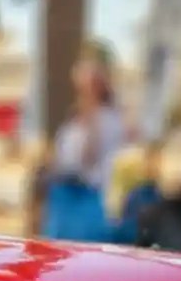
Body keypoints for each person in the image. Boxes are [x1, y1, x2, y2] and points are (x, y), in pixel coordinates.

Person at [43, 42, 126, 242]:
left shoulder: (109, 119)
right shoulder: (73, 120)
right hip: (61, 197)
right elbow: (61, 157)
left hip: (85, 200)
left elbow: (90, 156)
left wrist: (91, 103)